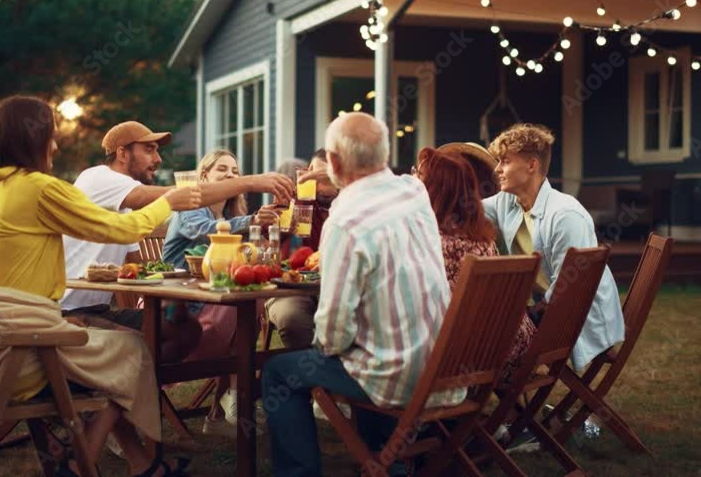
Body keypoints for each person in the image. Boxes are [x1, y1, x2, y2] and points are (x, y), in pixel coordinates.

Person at [0, 96, 196, 476]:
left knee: (119, 349)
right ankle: (82, 461)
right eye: (50, 137)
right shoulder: (39, 189)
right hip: (20, 356)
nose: (54, 146)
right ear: (31, 140)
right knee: (132, 353)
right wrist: (170, 201)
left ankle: (143, 465)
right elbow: (121, 228)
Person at [261, 113, 463, 477]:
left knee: (280, 371)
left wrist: (330, 345)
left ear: (333, 161)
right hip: (444, 367)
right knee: (369, 346)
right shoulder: (414, 192)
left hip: (396, 378)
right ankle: (391, 461)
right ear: (384, 154)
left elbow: (333, 332)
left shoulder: (345, 222)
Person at [59, 121, 293, 363]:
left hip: (99, 310)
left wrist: (148, 306)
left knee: (185, 331)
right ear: (121, 153)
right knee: (156, 339)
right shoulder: (99, 177)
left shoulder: (124, 207)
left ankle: (145, 381)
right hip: (67, 312)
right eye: (149, 149)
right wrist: (251, 182)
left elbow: (133, 267)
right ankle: (130, 379)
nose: (158, 159)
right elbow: (184, 198)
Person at [483, 123, 624, 370]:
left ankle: (504, 403)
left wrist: (524, 318)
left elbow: (569, 289)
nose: (497, 169)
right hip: (547, 308)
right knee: (483, 329)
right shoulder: (507, 201)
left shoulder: (564, 215)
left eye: (505, 161)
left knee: (486, 337)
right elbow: (470, 209)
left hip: (576, 316)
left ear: (531, 165)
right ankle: (511, 404)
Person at [161, 149, 280, 436]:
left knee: (247, 302)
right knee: (244, 305)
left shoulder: (229, 214)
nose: (230, 176)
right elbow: (206, 231)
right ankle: (237, 399)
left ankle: (223, 408)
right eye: (222, 170)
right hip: (175, 310)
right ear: (204, 177)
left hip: (213, 302)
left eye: (235, 172)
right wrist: (251, 221)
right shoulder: (189, 206)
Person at [414, 147, 536, 375]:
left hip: (470, 362)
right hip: (511, 349)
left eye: (419, 176)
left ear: (434, 191)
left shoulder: (433, 243)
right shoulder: (480, 237)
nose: (412, 180)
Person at [265, 149, 338, 350]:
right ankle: (308, 371)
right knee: (291, 318)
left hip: (336, 289)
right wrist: (295, 202)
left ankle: (330, 370)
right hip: (291, 287)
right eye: (314, 174)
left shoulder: (350, 206)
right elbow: (267, 232)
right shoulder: (293, 199)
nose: (319, 183)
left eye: (326, 177)